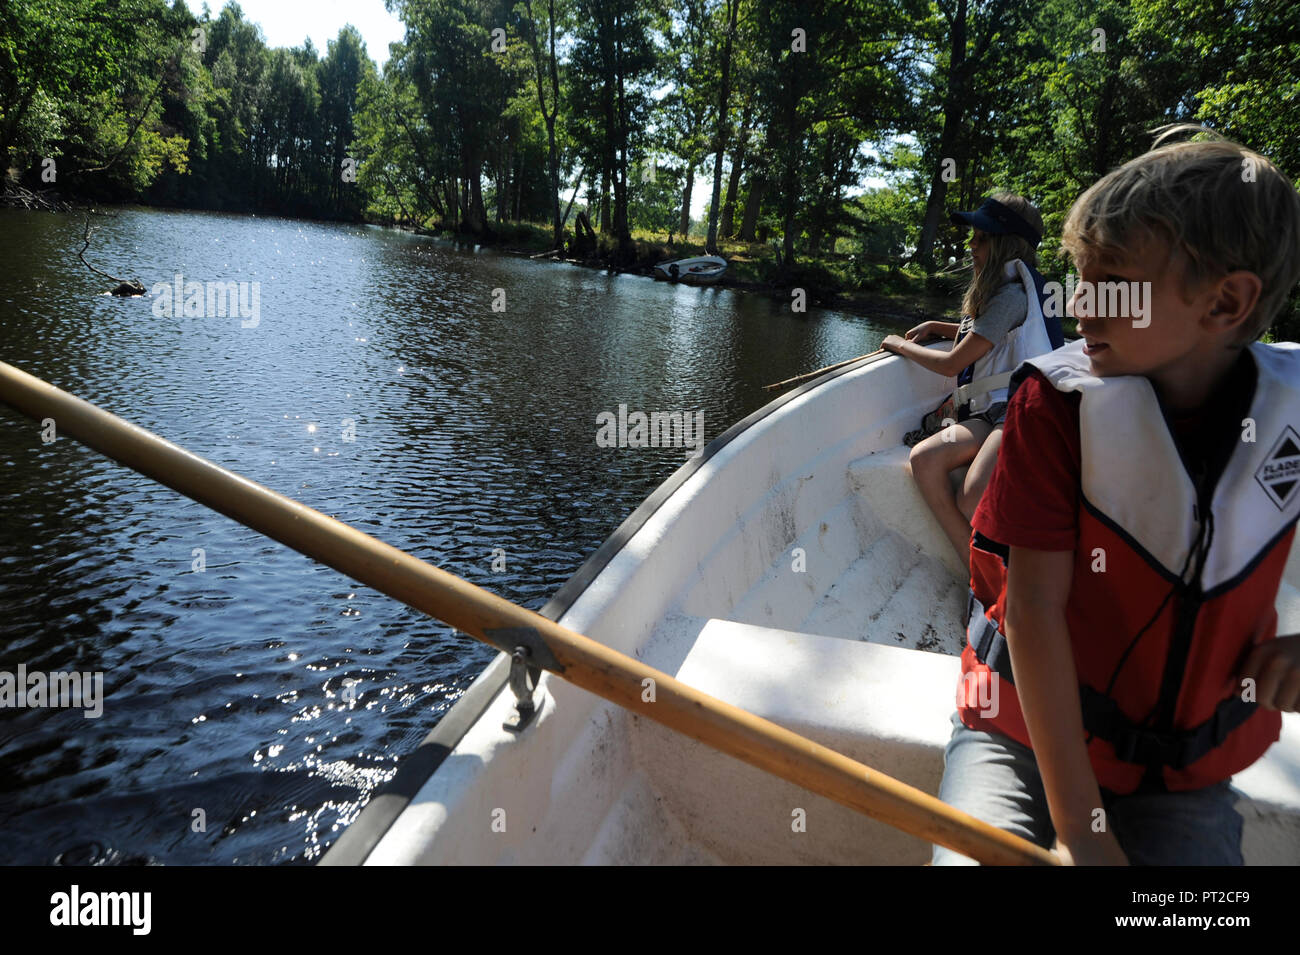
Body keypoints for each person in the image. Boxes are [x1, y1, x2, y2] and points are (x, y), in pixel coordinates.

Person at [932, 126, 1300, 866]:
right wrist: (1084, 834)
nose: (1079, 304)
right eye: (1079, 275)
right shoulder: (1056, 408)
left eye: (1112, 284)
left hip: (1180, 775)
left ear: (1226, 302)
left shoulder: (1289, 410)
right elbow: (1032, 613)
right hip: (1020, 738)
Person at [882, 195, 1063, 573]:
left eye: (981, 238)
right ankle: (977, 574)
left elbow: (953, 361)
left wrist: (898, 344)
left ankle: (1011, 574)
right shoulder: (1009, 294)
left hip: (1020, 413)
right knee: (926, 459)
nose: (971, 246)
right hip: (993, 412)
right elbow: (982, 332)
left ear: (1004, 244)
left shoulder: (1012, 296)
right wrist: (935, 326)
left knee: (972, 496)